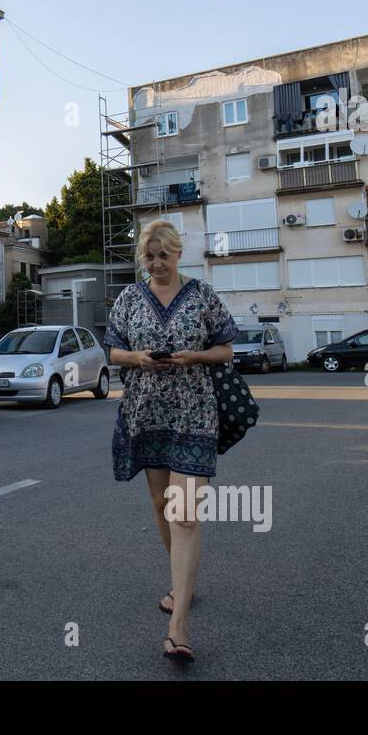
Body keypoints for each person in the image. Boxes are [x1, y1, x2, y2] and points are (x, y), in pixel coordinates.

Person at [103, 219, 237, 663]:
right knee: (162, 507)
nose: (157, 263)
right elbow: (114, 351)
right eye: (150, 256)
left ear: (179, 254)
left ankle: (178, 625)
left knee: (184, 514)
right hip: (147, 414)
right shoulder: (128, 298)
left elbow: (226, 349)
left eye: (164, 255)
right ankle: (182, 585)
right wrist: (137, 359)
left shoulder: (202, 295)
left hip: (194, 413)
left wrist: (195, 355)